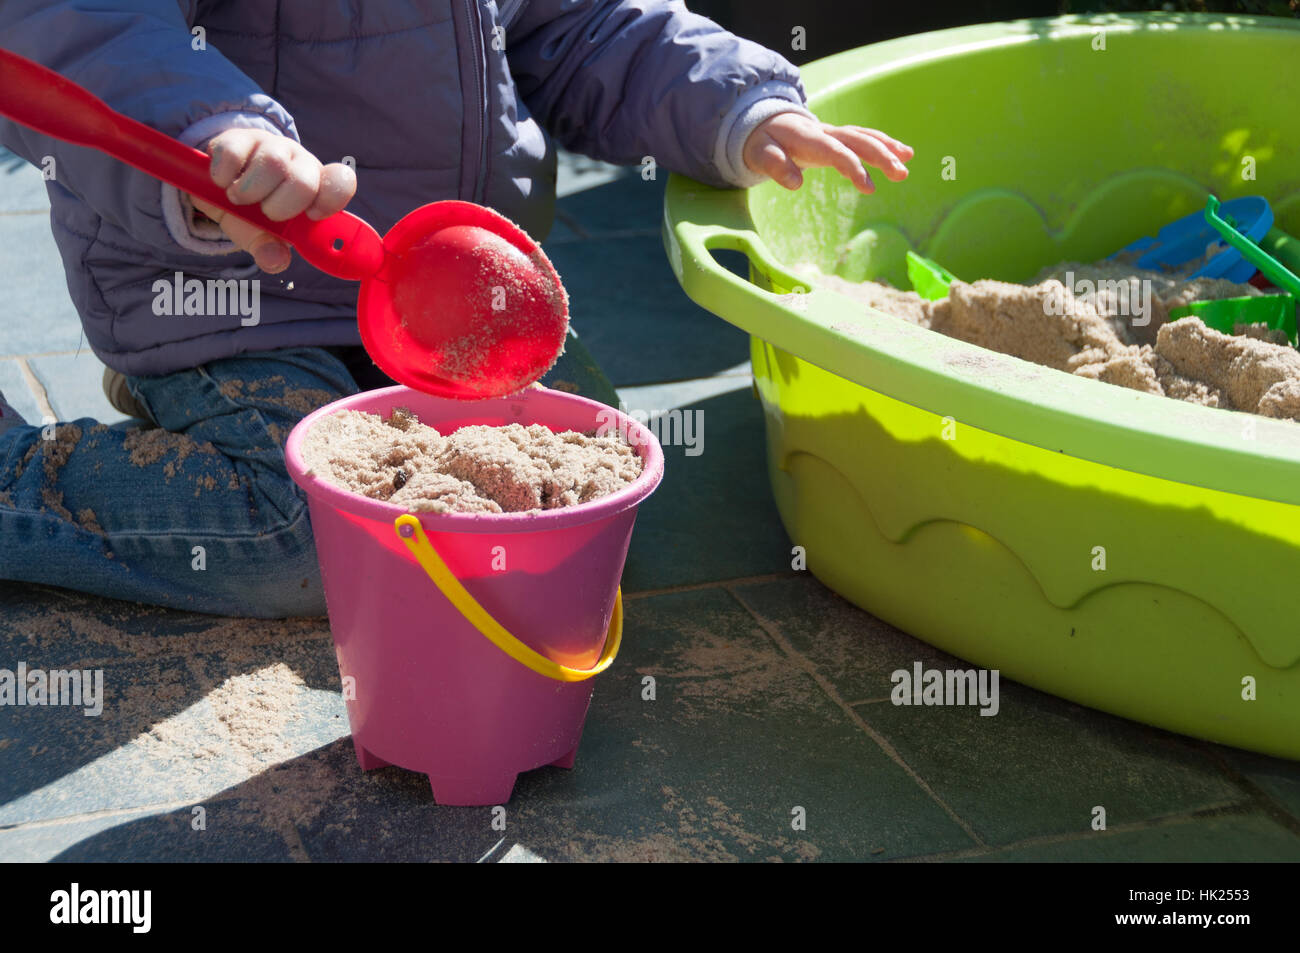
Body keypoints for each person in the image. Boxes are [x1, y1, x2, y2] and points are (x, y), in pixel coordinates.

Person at [0, 0, 912, 617]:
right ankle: (22, 478)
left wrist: (739, 110)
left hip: (454, 307)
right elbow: (87, 25)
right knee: (292, 528)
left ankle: (227, 420)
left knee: (579, 490)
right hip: (237, 294)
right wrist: (209, 143)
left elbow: (587, 30)